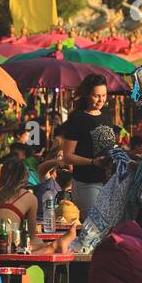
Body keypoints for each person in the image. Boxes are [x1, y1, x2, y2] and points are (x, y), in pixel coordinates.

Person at [57, 74, 114, 215]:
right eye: (96, 96)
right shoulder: (78, 119)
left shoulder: (106, 115)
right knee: (93, 227)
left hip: (107, 183)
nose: (101, 100)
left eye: (104, 95)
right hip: (86, 183)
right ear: (87, 95)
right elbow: (67, 157)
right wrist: (93, 162)